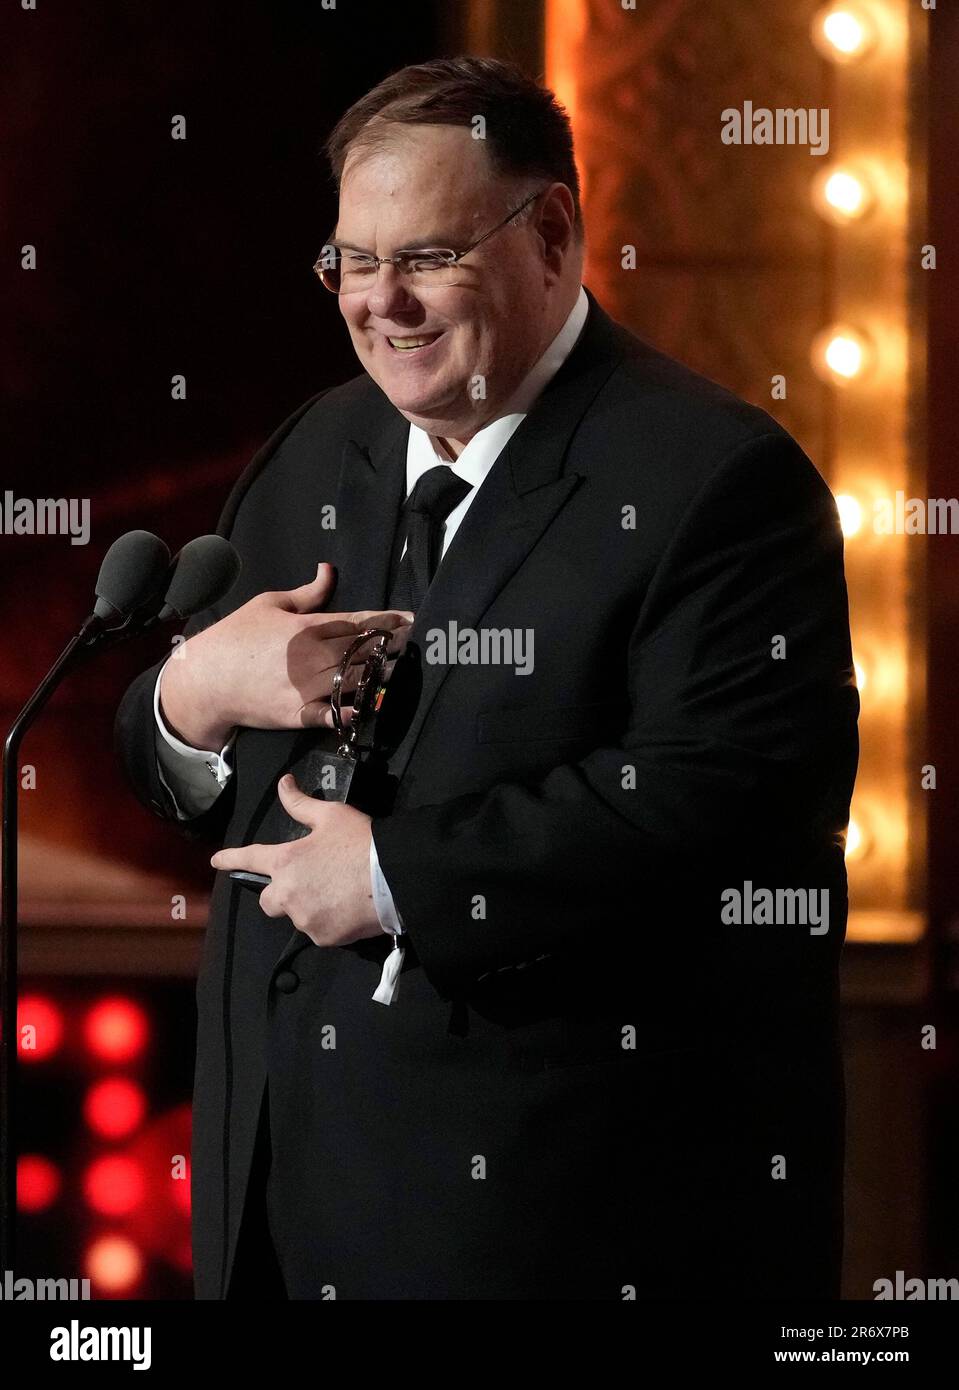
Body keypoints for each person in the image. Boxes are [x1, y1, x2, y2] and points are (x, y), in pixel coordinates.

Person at [114, 55, 859, 1300]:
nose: (380, 303)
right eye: (350, 261)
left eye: (425, 256)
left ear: (551, 232)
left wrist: (401, 876)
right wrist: (189, 699)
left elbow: (731, 805)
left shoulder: (714, 481)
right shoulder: (319, 445)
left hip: (548, 1229)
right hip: (273, 1212)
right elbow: (171, 760)